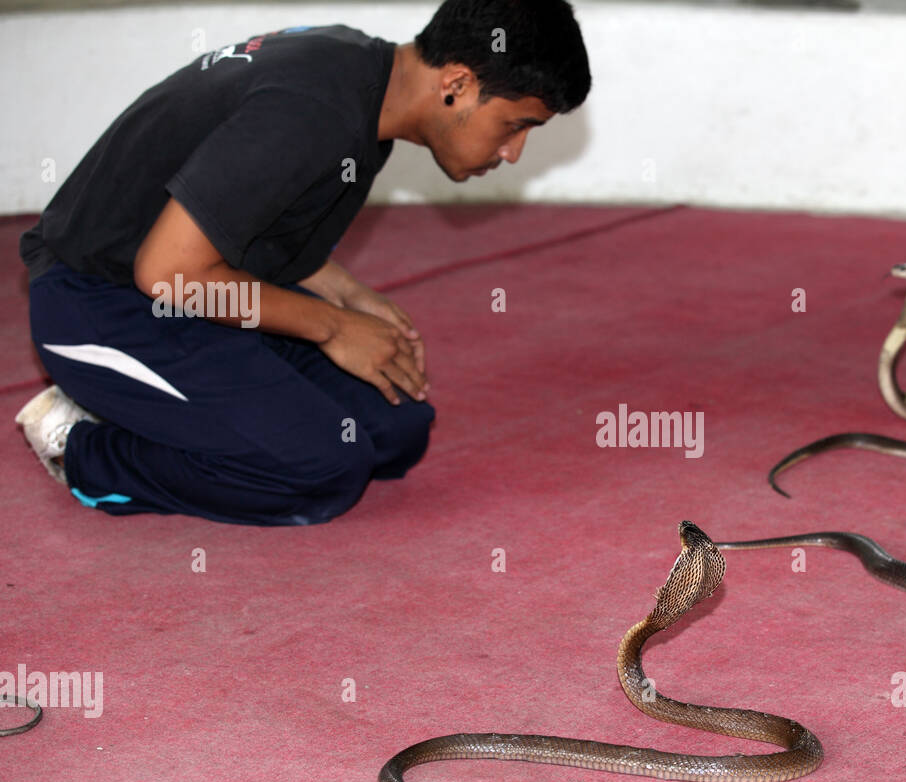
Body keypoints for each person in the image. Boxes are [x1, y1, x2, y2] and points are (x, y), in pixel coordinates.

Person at [14, 0, 590, 525]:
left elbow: (246, 219)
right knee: (322, 470)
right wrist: (333, 327)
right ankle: (83, 445)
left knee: (395, 431)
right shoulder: (315, 109)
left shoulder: (363, 77)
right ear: (458, 84)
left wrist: (346, 293)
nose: (513, 153)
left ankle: (167, 410)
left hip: (197, 289)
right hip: (98, 301)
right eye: (515, 126)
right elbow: (165, 275)